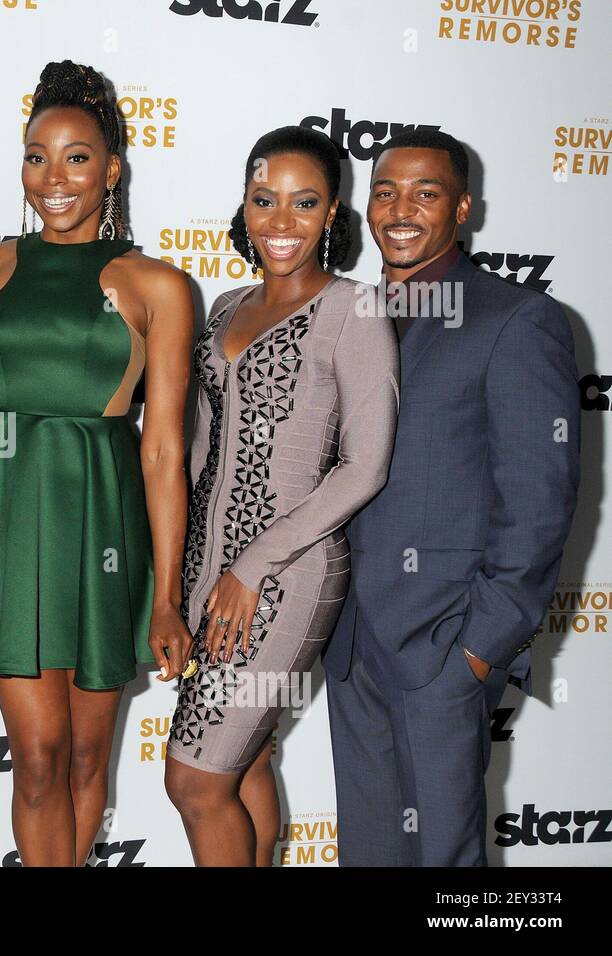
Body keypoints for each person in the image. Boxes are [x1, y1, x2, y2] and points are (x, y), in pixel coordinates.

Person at [0, 61, 192, 867]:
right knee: (40, 757)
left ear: (113, 168)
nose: (53, 178)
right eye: (35, 155)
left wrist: (166, 597)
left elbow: (162, 449)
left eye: (77, 156)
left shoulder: (158, 285)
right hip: (12, 530)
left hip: (105, 531)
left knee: (90, 759)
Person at [324, 129, 580, 866]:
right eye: (384, 191)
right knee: (371, 854)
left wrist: (477, 649)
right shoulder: (348, 317)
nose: (400, 209)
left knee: (444, 857)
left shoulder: (515, 320)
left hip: (443, 641)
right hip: (351, 640)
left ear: (463, 207)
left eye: (425, 193)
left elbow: (539, 504)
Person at [162, 126, 398, 866]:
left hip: (287, 574)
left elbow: (365, 469)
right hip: (208, 571)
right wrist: (177, 583)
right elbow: (198, 452)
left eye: (304, 203)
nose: (281, 222)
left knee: (195, 782)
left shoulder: (353, 310)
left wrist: (250, 567)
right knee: (245, 759)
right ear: (244, 202)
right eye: (265, 200)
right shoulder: (227, 307)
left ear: (332, 214)